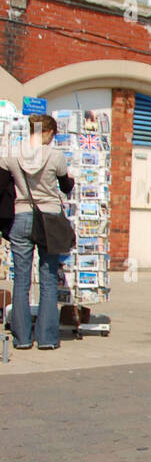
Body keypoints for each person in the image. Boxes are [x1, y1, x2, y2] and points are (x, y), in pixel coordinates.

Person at [0, 114, 73, 351]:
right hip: (49, 218)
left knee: (21, 280)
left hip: (21, 216)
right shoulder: (56, 156)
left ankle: (21, 339)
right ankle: (47, 339)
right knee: (48, 279)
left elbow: (1, 185)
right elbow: (65, 186)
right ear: (49, 132)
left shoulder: (11, 154)